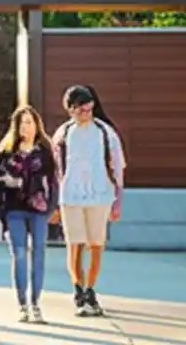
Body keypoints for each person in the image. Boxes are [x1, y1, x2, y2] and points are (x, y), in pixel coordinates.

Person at [51, 85, 126, 317]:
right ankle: (78, 290)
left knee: (96, 245)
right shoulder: (62, 134)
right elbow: (55, 170)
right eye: (80, 107)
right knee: (75, 245)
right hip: (70, 197)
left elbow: (118, 167)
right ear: (70, 109)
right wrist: (54, 201)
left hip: (100, 195)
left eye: (88, 106)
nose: (85, 111)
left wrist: (118, 201)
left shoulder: (106, 132)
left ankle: (91, 289)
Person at [0, 105, 59, 324]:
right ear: (16, 127)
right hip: (15, 209)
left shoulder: (45, 152)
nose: (26, 126)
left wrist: (53, 208)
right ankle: (22, 304)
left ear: (37, 125)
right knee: (19, 254)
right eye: (22, 123)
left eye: (30, 122)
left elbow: (52, 182)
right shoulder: (8, 152)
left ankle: (36, 302)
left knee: (39, 253)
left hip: (38, 209)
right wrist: (2, 181)